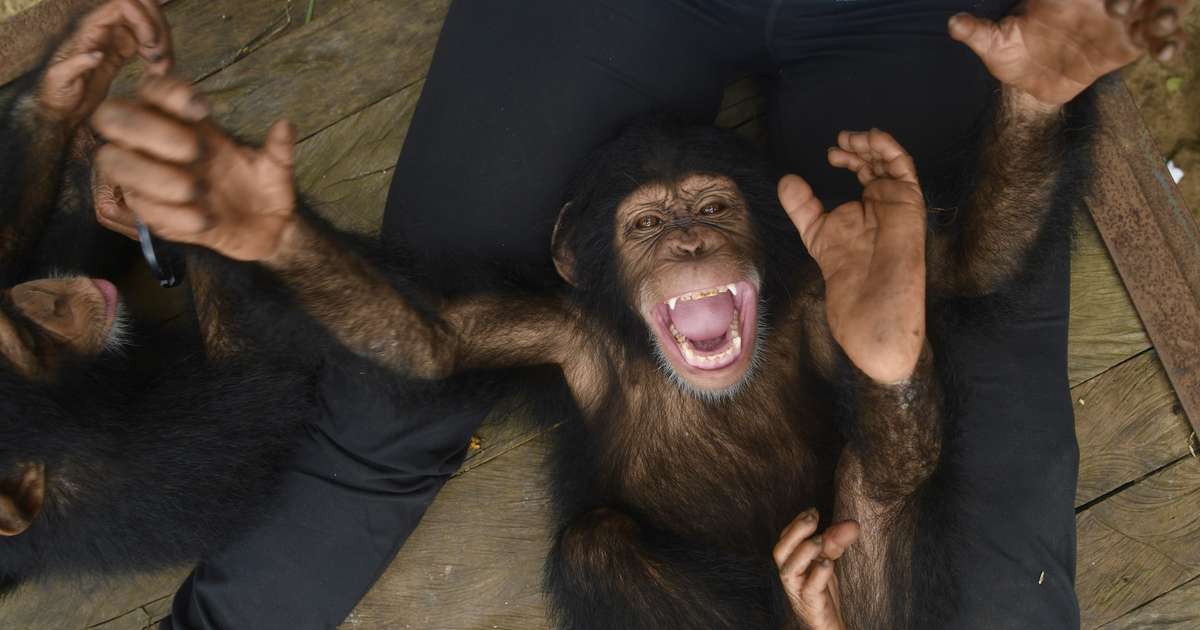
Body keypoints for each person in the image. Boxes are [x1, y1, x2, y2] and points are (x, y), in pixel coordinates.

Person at [136, 1, 1183, 628]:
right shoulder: (587, 334)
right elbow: (430, 340)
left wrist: (1034, 110)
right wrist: (288, 244)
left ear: (771, 228)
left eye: (708, 216)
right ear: (574, 261)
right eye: (653, 231)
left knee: (967, 397)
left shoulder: (805, 293)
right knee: (404, 419)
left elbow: (977, 275)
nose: (684, 240)